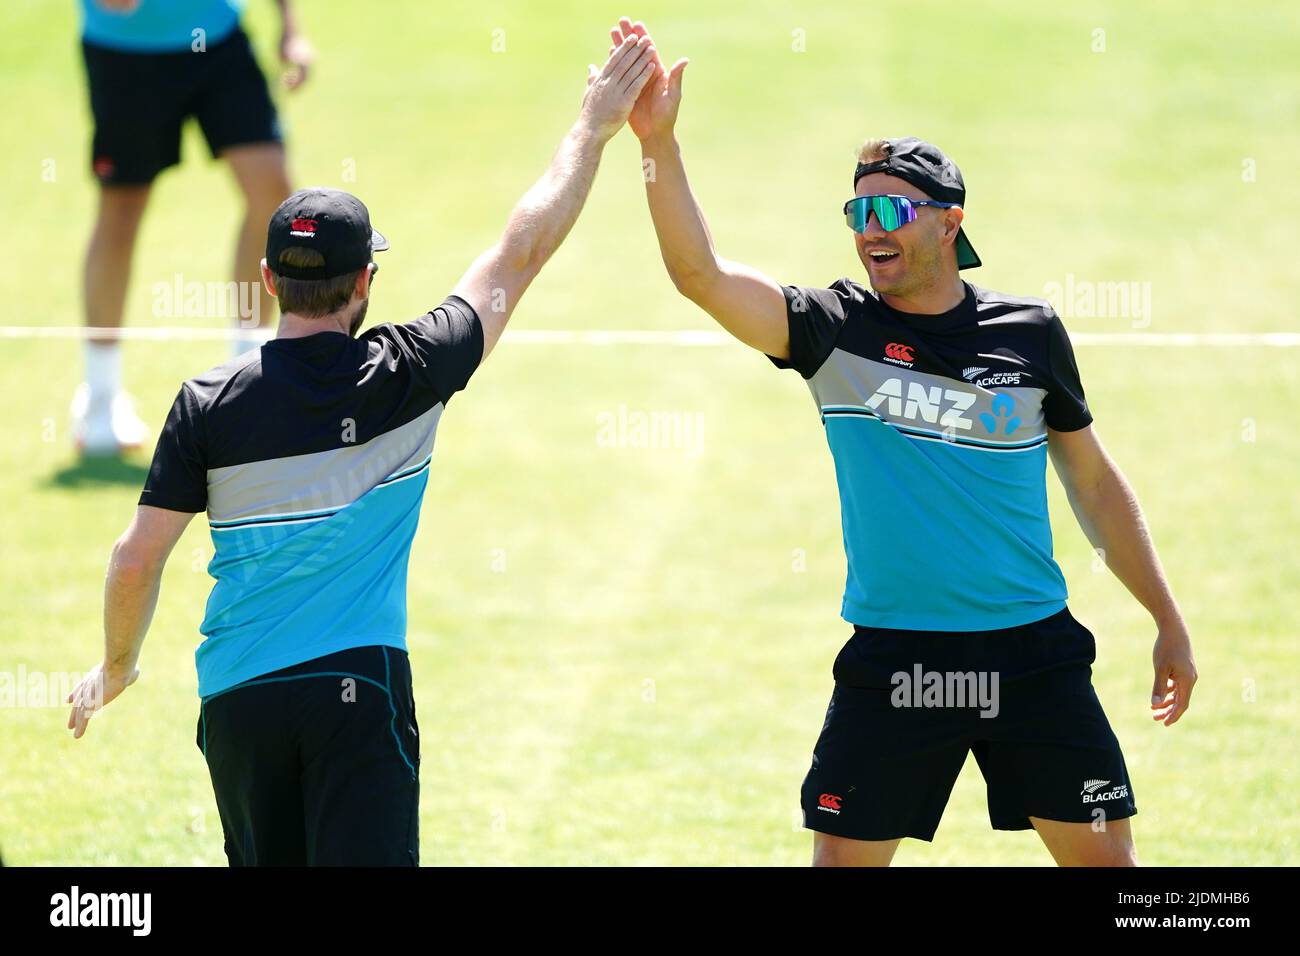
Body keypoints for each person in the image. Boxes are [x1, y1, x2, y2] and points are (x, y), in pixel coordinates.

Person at [65, 31, 661, 865]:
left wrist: (116, 665)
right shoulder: (411, 370)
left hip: (237, 702)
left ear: (268, 280)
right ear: (365, 284)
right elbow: (518, 251)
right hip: (356, 693)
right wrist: (593, 127)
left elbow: (136, 561)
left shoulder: (206, 405)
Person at [619, 17, 1197, 866]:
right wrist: (658, 145)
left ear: (947, 221)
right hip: (896, 660)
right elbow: (698, 275)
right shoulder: (832, 328)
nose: (867, 228)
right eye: (856, 210)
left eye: (888, 208)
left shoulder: (1030, 334)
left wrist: (1167, 619)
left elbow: (1095, 486)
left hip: (1032, 655)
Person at [73, 0, 314, 455]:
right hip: (123, 53)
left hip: (218, 39)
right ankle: (100, 399)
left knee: (273, 197)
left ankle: (251, 382)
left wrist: (289, 26)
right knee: (122, 209)